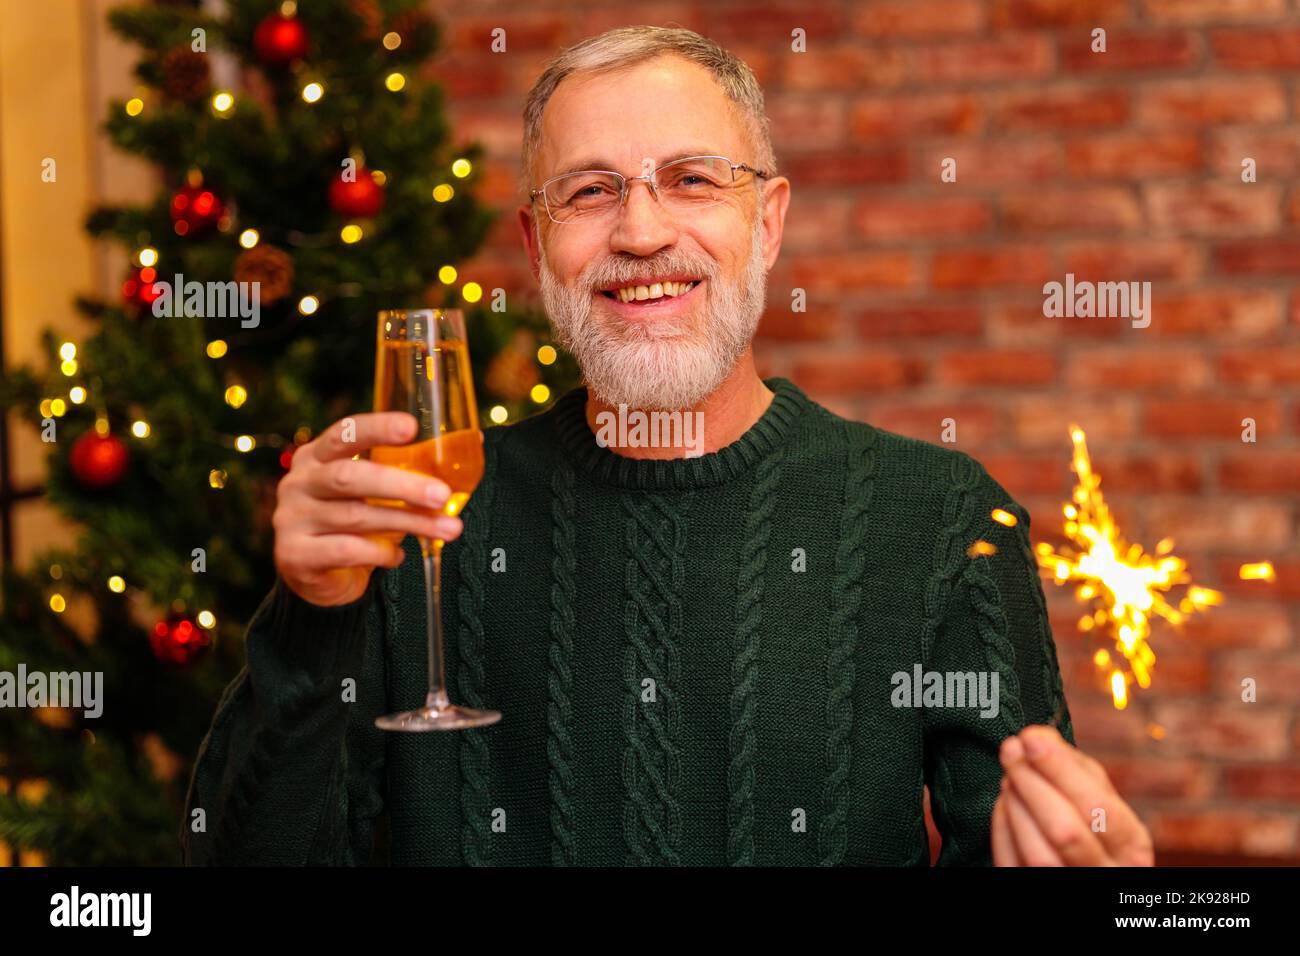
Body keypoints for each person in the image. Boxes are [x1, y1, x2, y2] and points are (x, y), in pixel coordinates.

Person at [183, 25, 1153, 867]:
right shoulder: (414, 517)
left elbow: (1025, 844)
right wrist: (311, 618)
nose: (641, 232)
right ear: (534, 244)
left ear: (766, 222)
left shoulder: (938, 516)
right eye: (591, 191)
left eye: (691, 180)